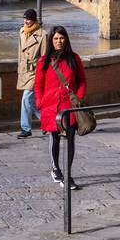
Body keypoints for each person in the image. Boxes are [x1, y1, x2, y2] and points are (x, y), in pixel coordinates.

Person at [33, 25, 86, 189]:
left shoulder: (74, 59)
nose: (59, 41)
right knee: (54, 137)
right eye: (55, 39)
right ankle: (56, 168)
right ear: (51, 41)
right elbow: (38, 85)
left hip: (68, 105)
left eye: (61, 38)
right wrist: (40, 102)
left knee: (70, 139)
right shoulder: (44, 61)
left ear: (66, 39)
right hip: (50, 106)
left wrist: (79, 98)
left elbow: (82, 81)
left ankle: (68, 174)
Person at [16, 7, 45, 139]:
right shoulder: (21, 31)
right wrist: (19, 68)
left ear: (34, 20)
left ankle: (26, 128)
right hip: (24, 71)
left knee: (26, 99)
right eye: (25, 19)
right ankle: (48, 122)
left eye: (29, 19)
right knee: (30, 102)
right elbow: (19, 53)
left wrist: (42, 73)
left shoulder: (42, 35)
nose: (26, 21)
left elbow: (44, 57)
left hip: (35, 72)